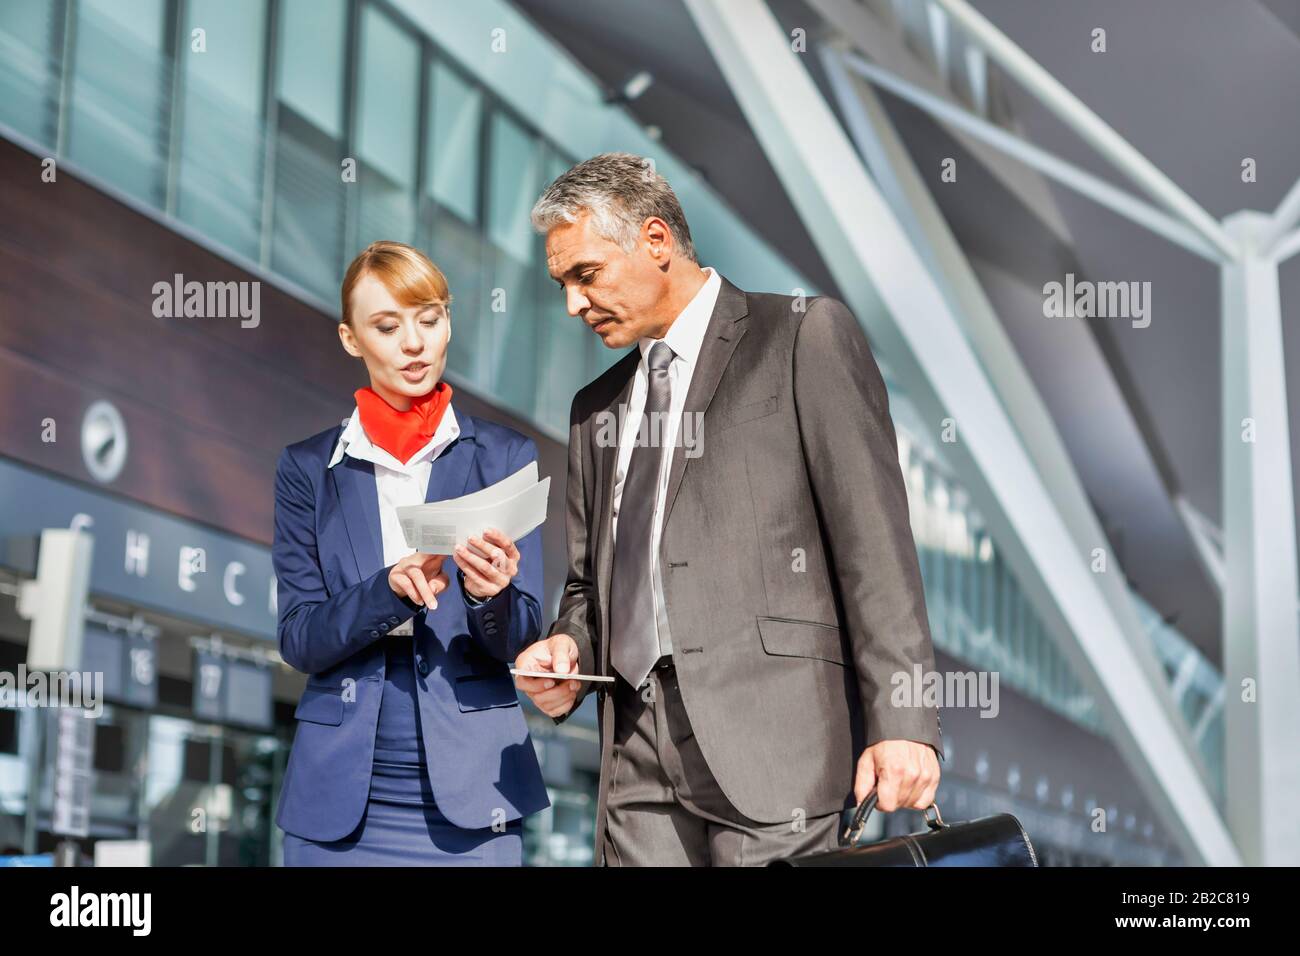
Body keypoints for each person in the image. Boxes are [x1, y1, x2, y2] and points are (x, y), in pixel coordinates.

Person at [514, 153, 943, 866]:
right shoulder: (596, 411)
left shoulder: (802, 336)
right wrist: (569, 646)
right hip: (636, 761)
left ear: (656, 241)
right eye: (561, 284)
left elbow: (874, 546)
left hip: (779, 748)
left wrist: (904, 721)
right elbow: (591, 586)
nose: (572, 305)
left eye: (584, 275)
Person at [272, 240, 548, 865]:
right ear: (351, 339)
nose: (414, 343)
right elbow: (298, 638)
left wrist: (489, 595)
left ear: (448, 321)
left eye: (429, 319)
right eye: (388, 326)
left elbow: (523, 633)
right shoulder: (309, 469)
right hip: (340, 800)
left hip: (478, 792)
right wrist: (388, 589)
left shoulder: (505, 457)